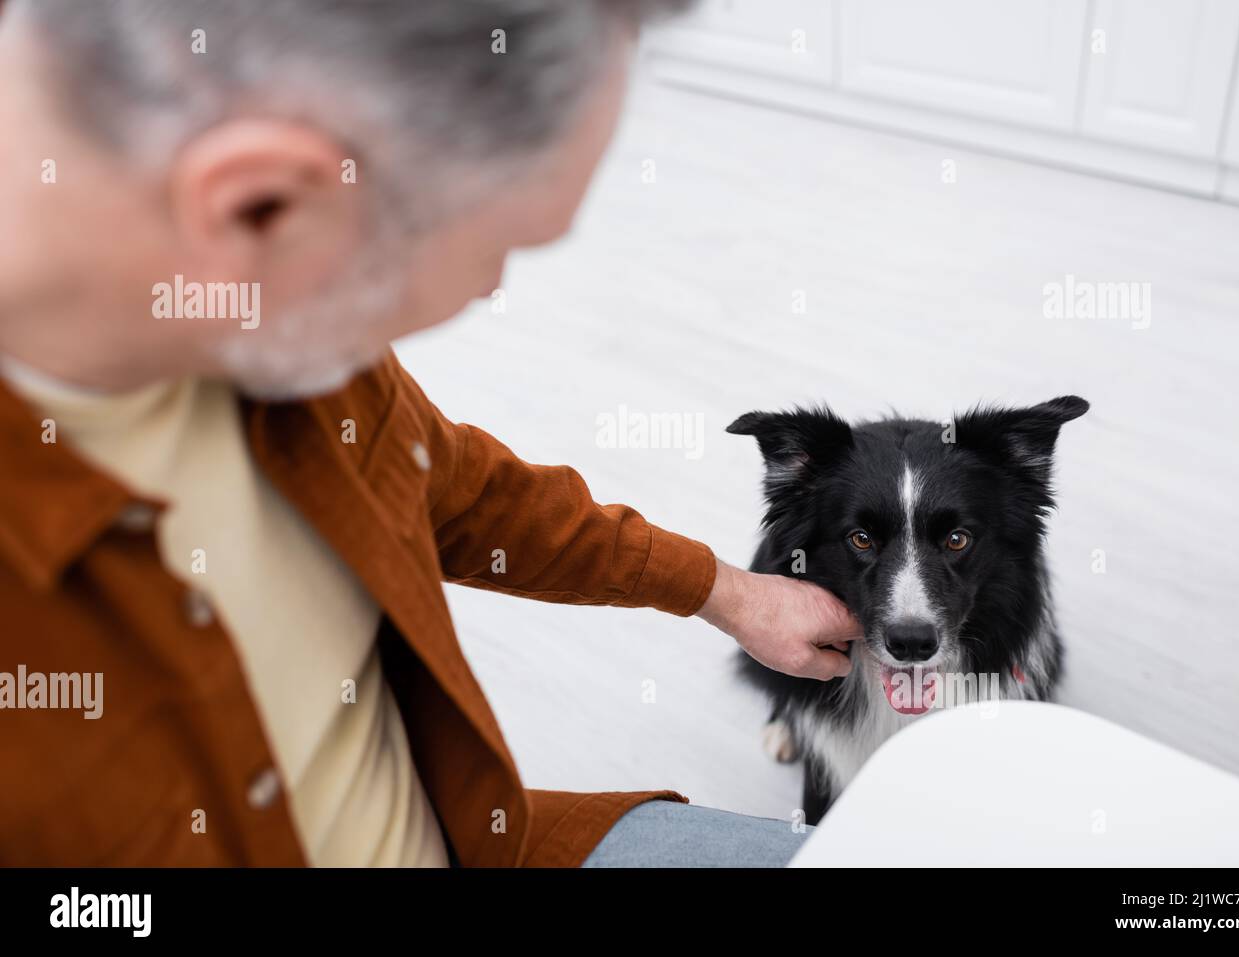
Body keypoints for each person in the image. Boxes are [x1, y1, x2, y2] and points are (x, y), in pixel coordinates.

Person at [0, 0, 860, 867]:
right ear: (259, 207)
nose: (489, 287)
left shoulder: (286, 332)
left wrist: (727, 591)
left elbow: (464, 492)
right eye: (502, 242)